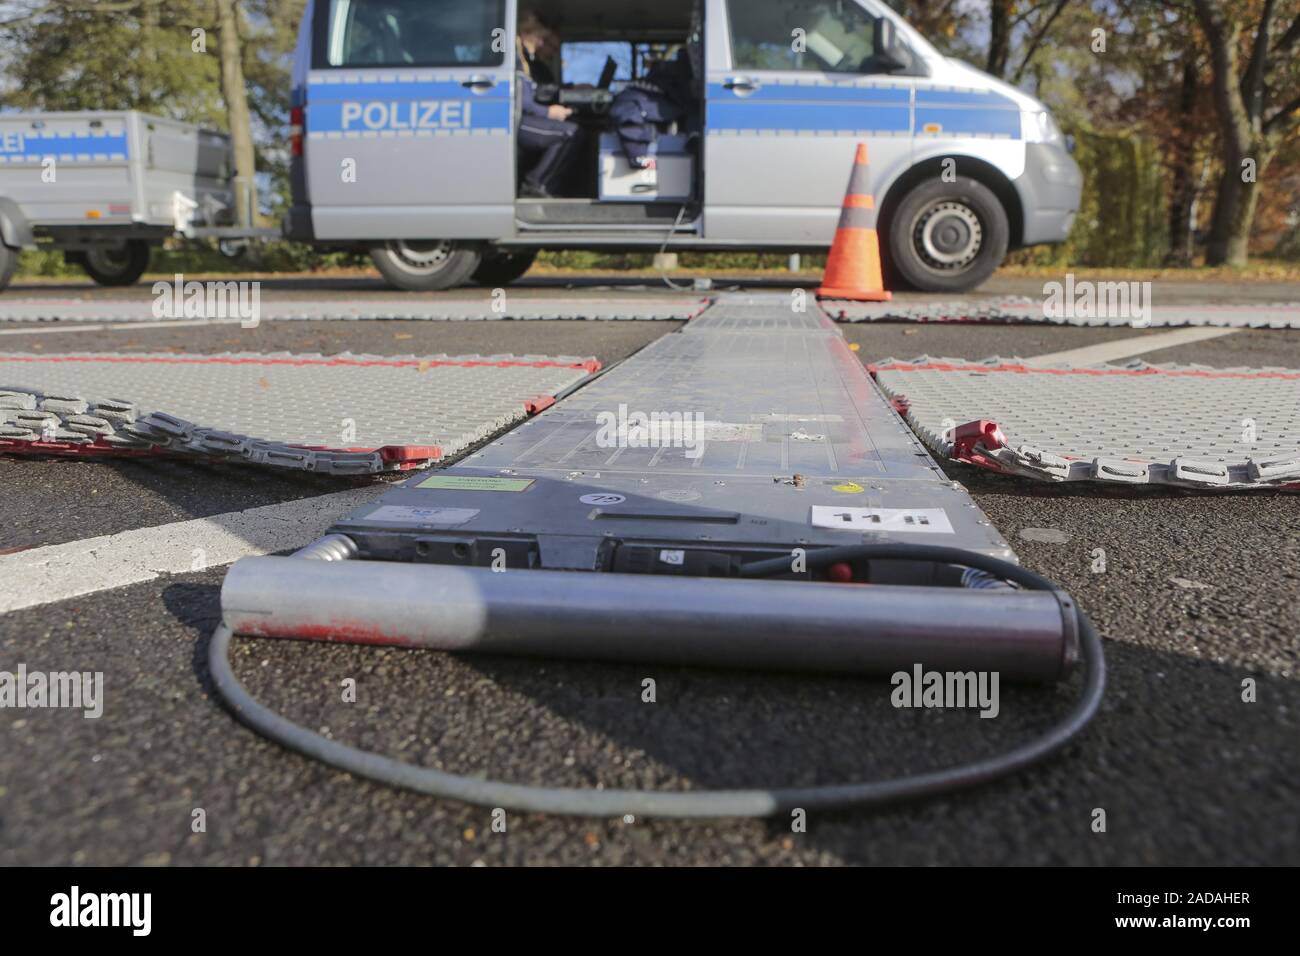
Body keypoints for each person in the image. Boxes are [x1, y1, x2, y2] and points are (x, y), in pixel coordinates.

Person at [516, 12, 582, 198]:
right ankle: (534, 185)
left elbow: (537, 92)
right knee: (569, 133)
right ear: (526, 33)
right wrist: (548, 113)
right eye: (540, 38)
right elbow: (524, 103)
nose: (541, 44)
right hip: (518, 121)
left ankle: (544, 186)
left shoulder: (524, 60)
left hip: (524, 117)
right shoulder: (515, 59)